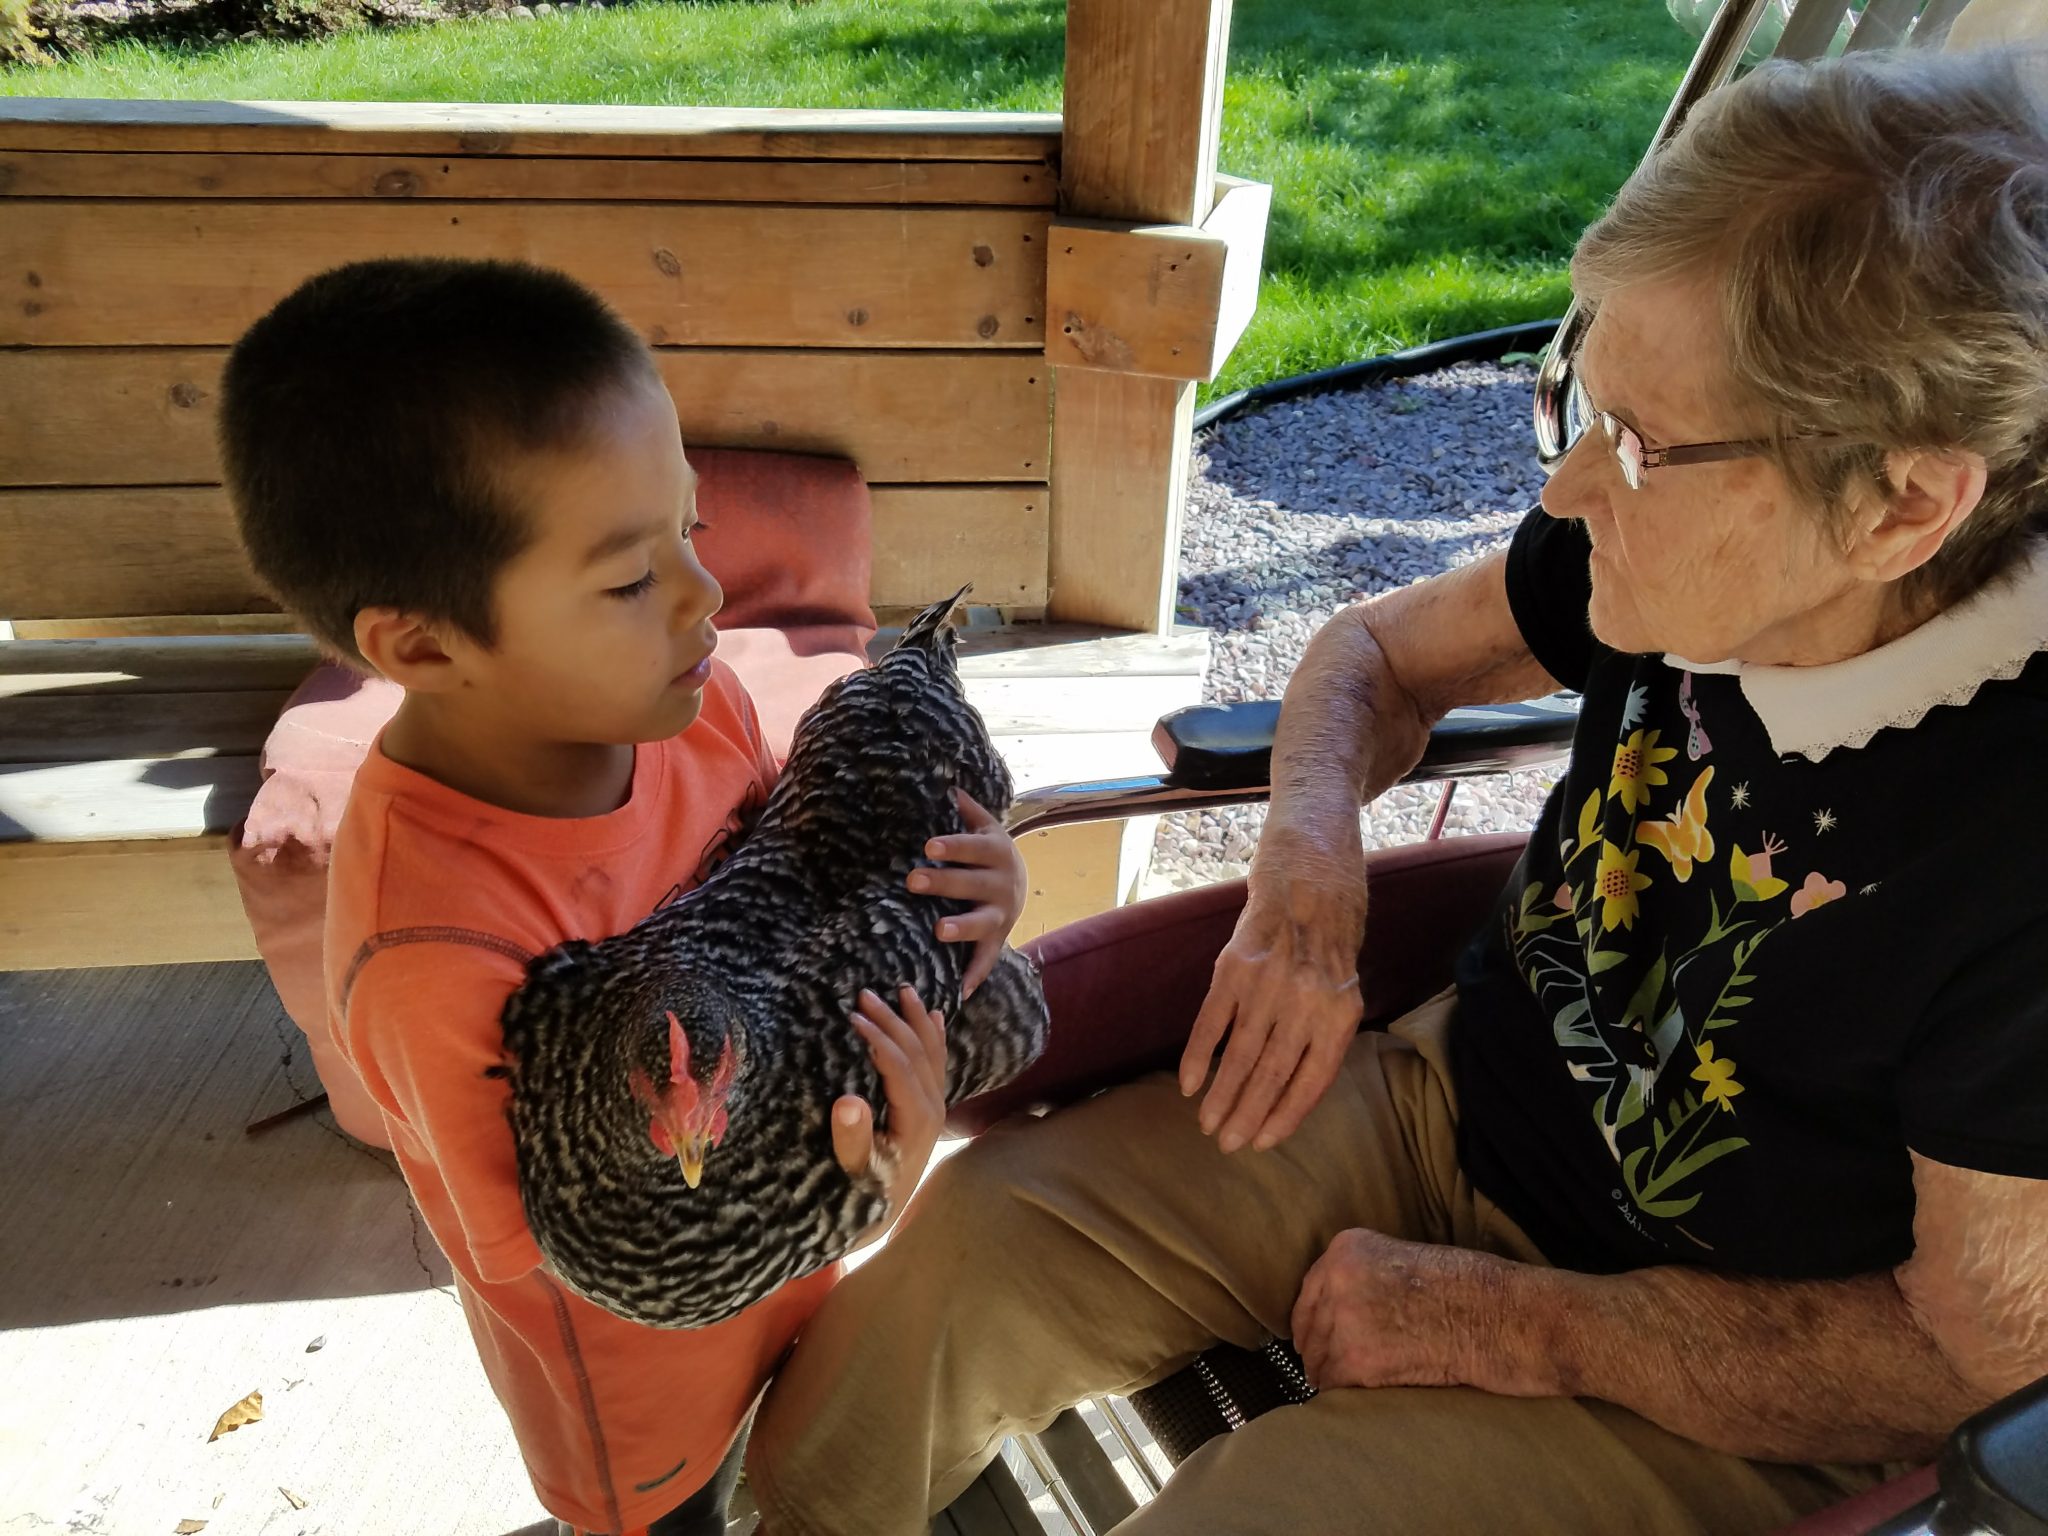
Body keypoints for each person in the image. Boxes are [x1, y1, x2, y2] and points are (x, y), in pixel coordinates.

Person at [744, 43, 2048, 1536]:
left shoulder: (2018, 840)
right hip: (1447, 1102)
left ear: (1902, 505)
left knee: (1255, 1511)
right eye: (1584, 398)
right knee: (972, 1251)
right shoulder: (1672, 538)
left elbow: (1971, 1360)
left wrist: (1519, 1326)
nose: (1566, 493)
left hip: (1721, 1367)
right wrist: (1306, 885)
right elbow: (1374, 654)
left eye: (1636, 443)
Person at [217, 257, 1027, 1536]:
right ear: (422, 647)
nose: (708, 598)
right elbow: (549, 1256)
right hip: (642, 1394)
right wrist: (845, 1191)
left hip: (810, 1255)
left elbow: (806, 878)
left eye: (688, 532)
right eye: (628, 578)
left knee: (828, 1450)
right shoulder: (433, 947)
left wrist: (965, 889)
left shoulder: (691, 700)